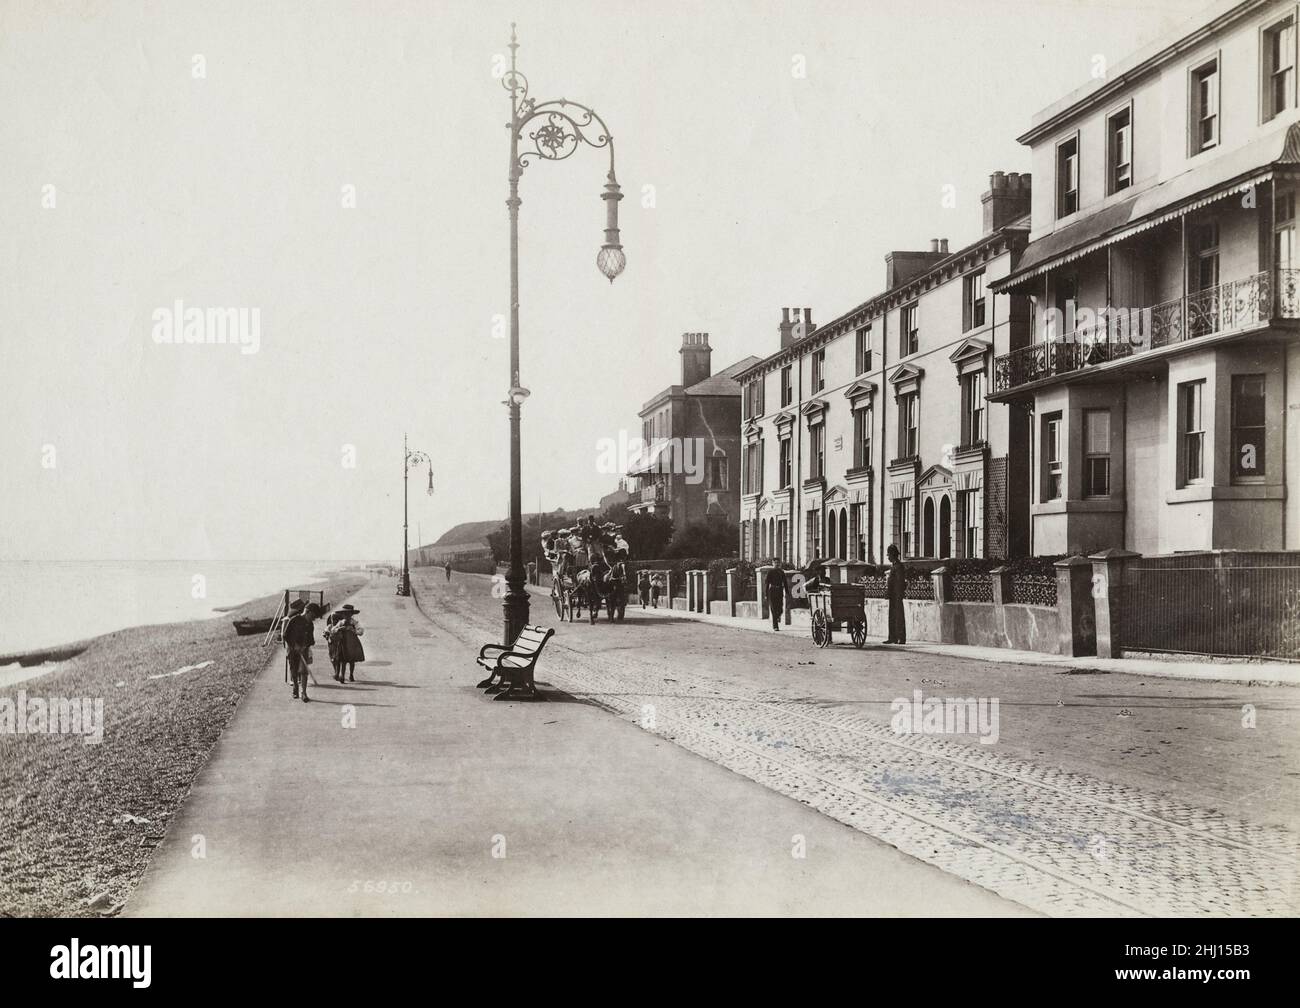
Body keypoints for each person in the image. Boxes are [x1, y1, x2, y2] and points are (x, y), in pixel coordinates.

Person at [283, 599, 322, 703]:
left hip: (303, 650)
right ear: (307, 612)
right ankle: (295, 687)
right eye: (312, 617)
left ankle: (304, 693)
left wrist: (305, 646)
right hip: (292, 649)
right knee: (294, 670)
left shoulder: (310, 625)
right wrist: (294, 645)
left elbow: (311, 640)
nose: (313, 619)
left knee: (304, 671)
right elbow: (285, 635)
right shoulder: (294, 620)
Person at [332, 604, 365, 683]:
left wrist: (353, 630)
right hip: (343, 642)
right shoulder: (341, 622)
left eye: (348, 614)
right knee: (342, 659)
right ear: (342, 615)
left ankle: (351, 674)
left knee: (351, 660)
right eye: (344, 614)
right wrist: (339, 629)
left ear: (351, 614)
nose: (346, 615)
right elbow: (333, 630)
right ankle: (342, 676)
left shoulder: (354, 622)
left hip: (352, 643)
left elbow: (361, 631)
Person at [884, 544, 907, 645]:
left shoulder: (899, 566)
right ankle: (892, 637)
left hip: (897, 595)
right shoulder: (894, 566)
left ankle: (900, 638)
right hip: (893, 595)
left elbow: (899, 582)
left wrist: (897, 594)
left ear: (893, 555)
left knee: (898, 616)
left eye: (888, 555)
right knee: (892, 616)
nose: (888, 557)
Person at [764, 561, 789, 631]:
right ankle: (775, 626)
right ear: (773, 563)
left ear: (780, 564)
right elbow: (767, 584)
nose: (777, 564)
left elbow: (785, 582)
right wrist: (766, 594)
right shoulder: (770, 572)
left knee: (780, 608)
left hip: (780, 591)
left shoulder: (781, 572)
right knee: (773, 609)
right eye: (775, 563)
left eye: (778, 563)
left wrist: (787, 592)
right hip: (772, 591)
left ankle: (777, 616)